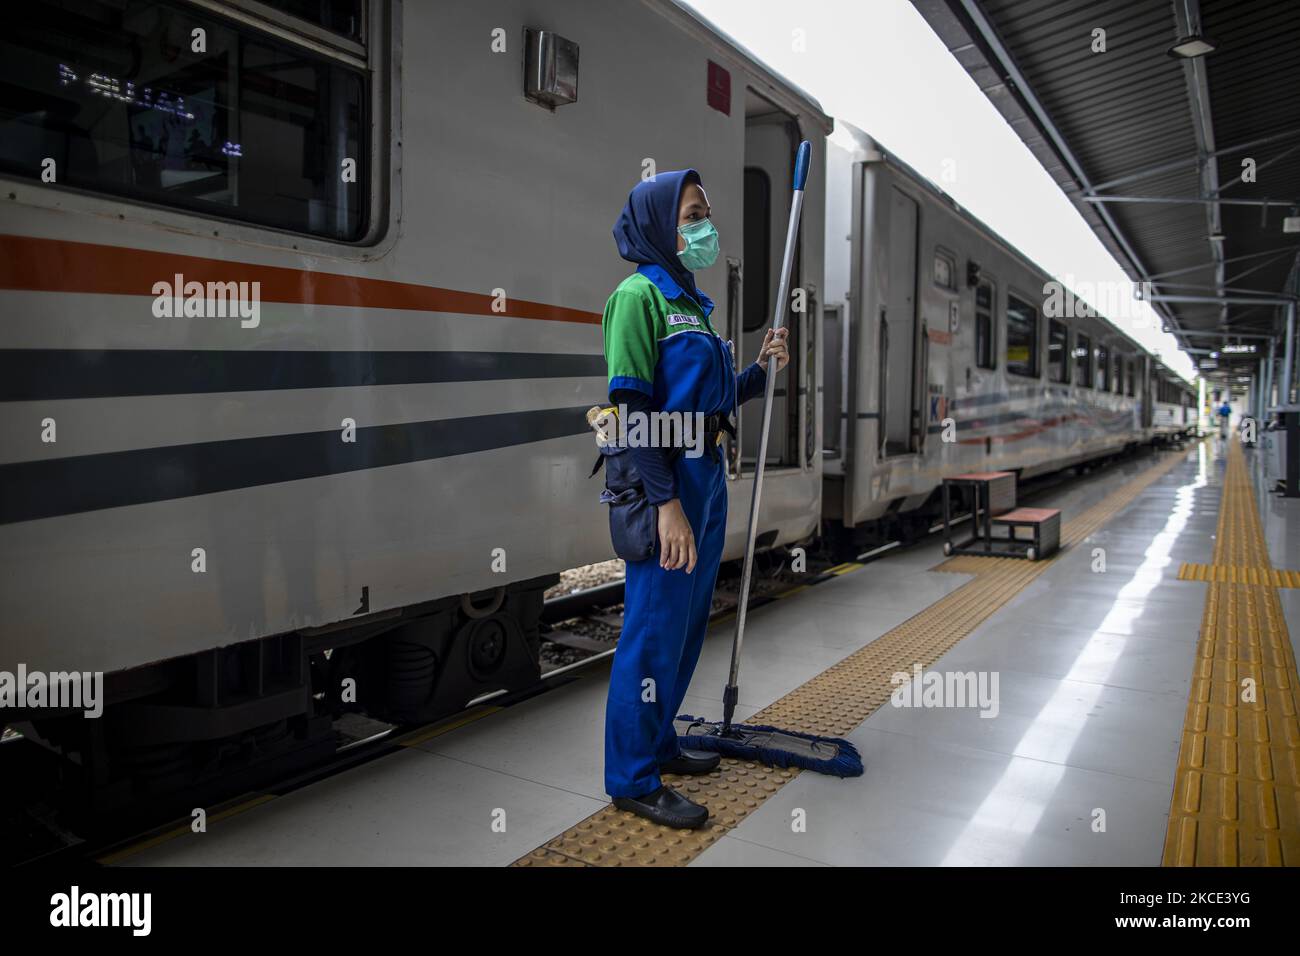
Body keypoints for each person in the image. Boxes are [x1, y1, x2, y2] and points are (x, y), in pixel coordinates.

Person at [601, 168, 788, 829]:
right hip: (665, 479)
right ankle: (631, 777)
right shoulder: (637, 297)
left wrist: (758, 375)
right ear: (658, 223)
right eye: (691, 215)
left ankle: (661, 743)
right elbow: (632, 411)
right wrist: (665, 503)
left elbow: (707, 401)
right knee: (652, 632)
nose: (703, 226)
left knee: (684, 629)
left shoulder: (692, 303)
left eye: (705, 213)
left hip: (705, 471)